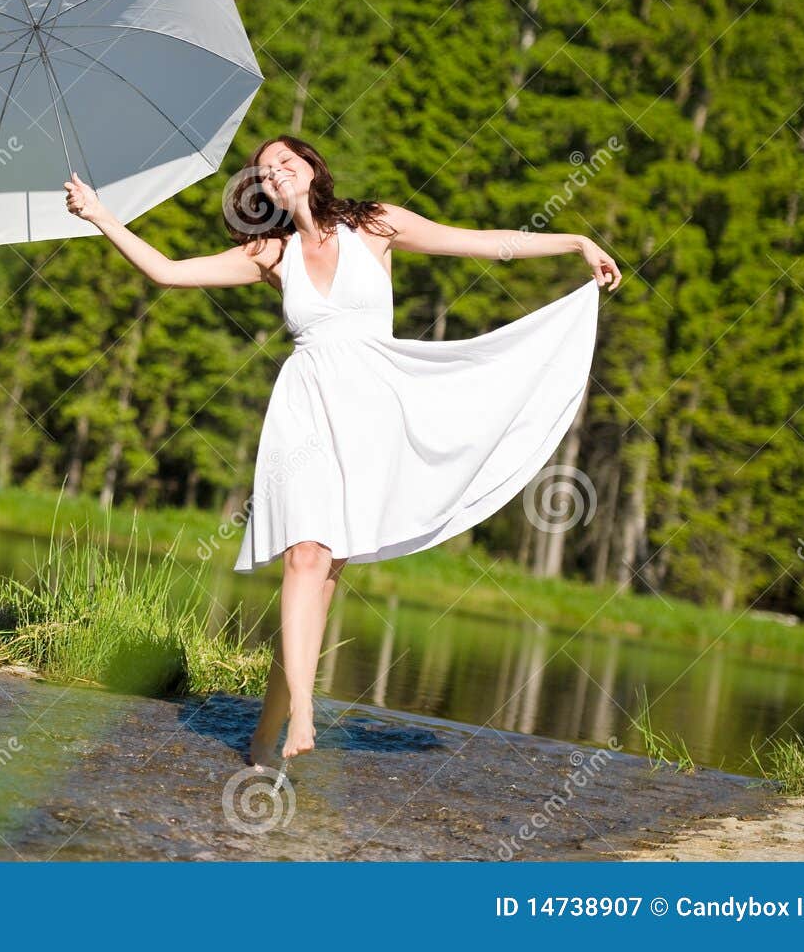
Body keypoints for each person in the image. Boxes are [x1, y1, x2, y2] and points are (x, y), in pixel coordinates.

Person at [63, 133, 620, 769]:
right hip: (303, 410)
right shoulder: (271, 254)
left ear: (312, 167)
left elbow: (486, 242)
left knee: (323, 579)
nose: (275, 173)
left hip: (371, 412)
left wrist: (575, 241)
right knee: (304, 558)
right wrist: (102, 214)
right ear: (264, 193)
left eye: (285, 161)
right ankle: (303, 711)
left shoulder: (373, 224)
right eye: (265, 172)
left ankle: (261, 743)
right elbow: (168, 272)